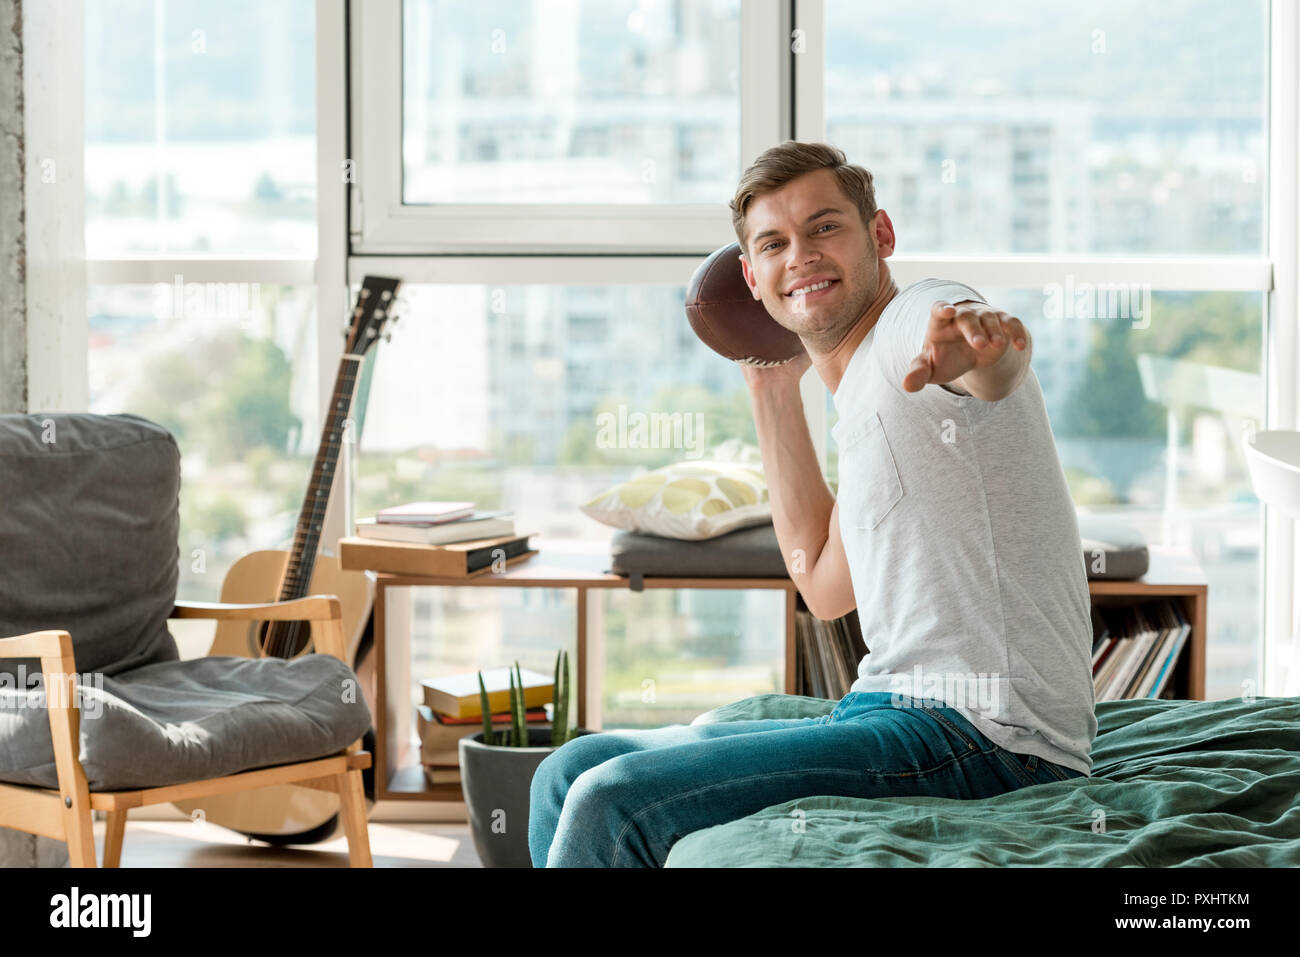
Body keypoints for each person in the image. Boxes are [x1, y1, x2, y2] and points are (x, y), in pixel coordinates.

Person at [528, 140, 1095, 868]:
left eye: (826, 227)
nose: (801, 255)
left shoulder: (912, 329)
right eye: (775, 243)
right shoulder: (860, 397)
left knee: (614, 797)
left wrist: (984, 349)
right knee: (562, 774)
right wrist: (770, 386)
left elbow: (988, 360)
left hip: (992, 738)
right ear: (752, 277)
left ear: (880, 235)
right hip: (886, 708)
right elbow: (825, 587)